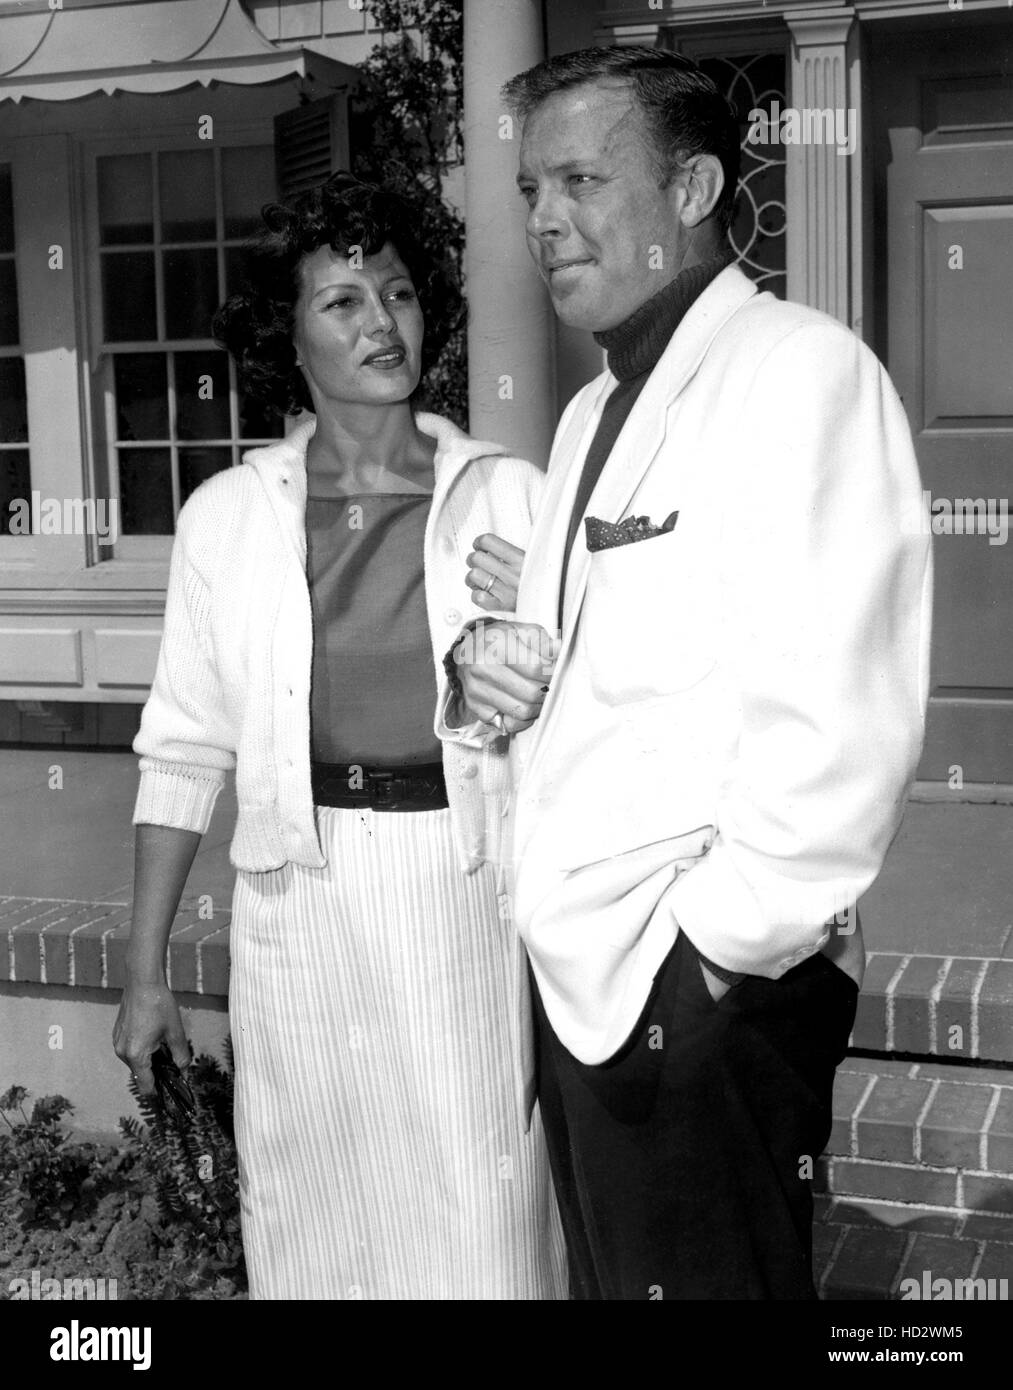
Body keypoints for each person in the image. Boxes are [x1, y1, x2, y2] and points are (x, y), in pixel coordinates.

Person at [451, 47, 933, 1299]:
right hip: (576, 984)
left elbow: (839, 723)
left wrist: (712, 957)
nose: (544, 218)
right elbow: (603, 672)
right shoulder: (585, 415)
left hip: (697, 997)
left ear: (693, 187)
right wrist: (498, 658)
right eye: (528, 190)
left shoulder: (801, 375)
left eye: (579, 180)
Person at [112, 172, 566, 1301]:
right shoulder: (226, 517)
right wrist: (143, 972)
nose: (383, 323)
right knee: (315, 1220)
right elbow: (182, 750)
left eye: (401, 293)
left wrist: (551, 624)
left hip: (459, 888)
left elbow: (581, 704)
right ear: (290, 339)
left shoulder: (509, 496)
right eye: (343, 302)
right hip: (293, 903)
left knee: (483, 1216)